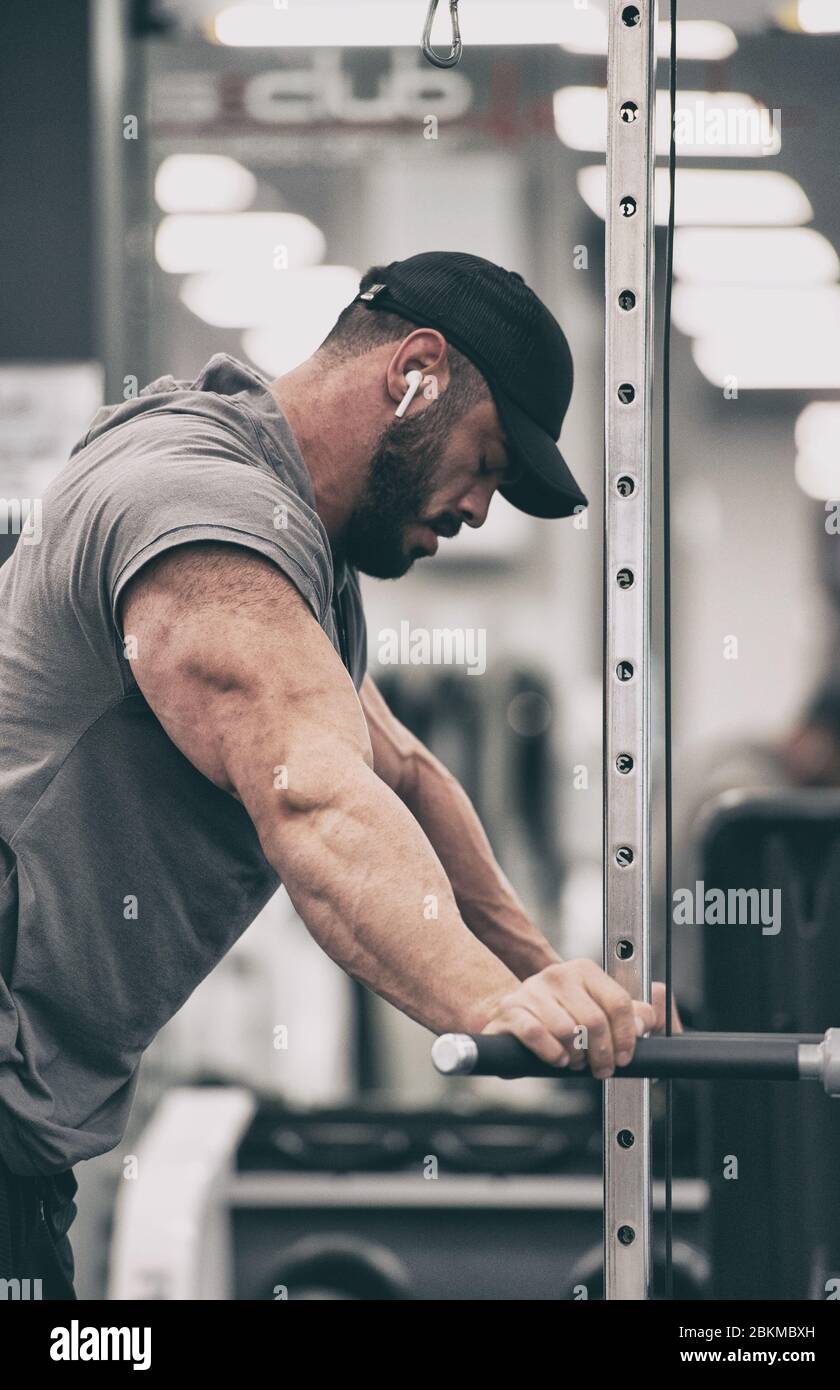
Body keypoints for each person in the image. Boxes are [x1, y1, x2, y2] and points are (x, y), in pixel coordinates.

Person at [0, 251, 676, 1297]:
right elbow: (315, 798)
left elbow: (396, 775)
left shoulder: (278, 535)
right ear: (414, 371)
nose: (481, 510)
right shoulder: (196, 514)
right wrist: (484, 1008)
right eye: (488, 460)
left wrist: (551, 990)